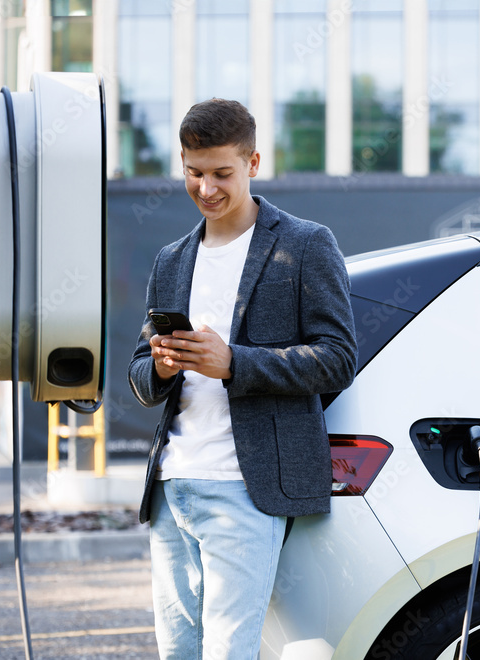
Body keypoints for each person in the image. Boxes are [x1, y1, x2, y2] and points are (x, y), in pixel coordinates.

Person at [128, 98, 357, 659]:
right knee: (177, 652)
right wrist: (159, 366)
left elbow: (337, 358)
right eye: (193, 172)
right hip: (172, 485)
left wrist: (234, 363)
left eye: (221, 173)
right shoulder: (171, 260)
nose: (206, 187)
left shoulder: (305, 244)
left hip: (246, 486)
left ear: (253, 162)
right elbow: (139, 373)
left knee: (230, 651)